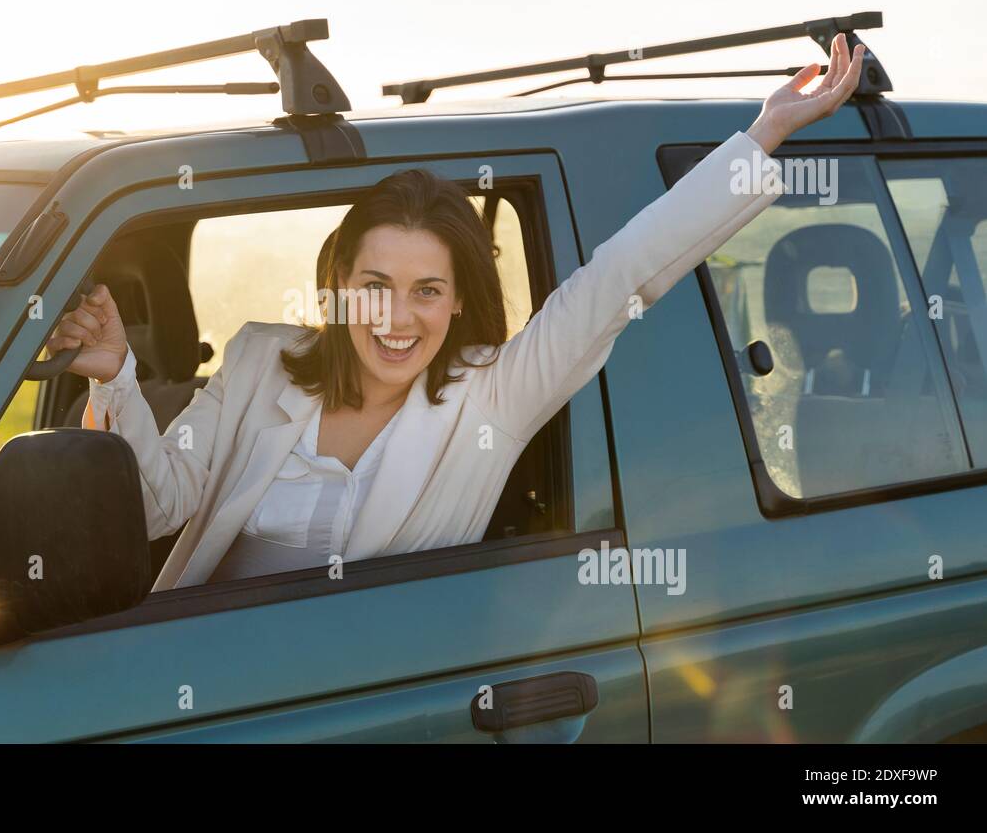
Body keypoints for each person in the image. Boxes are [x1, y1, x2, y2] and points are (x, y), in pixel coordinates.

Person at [51, 35, 867, 591]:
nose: (396, 319)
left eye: (428, 291)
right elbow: (159, 508)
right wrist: (117, 378)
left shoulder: (492, 396)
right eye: (376, 284)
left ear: (458, 301)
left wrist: (764, 133)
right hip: (200, 691)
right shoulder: (261, 358)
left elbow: (620, 275)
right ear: (336, 280)